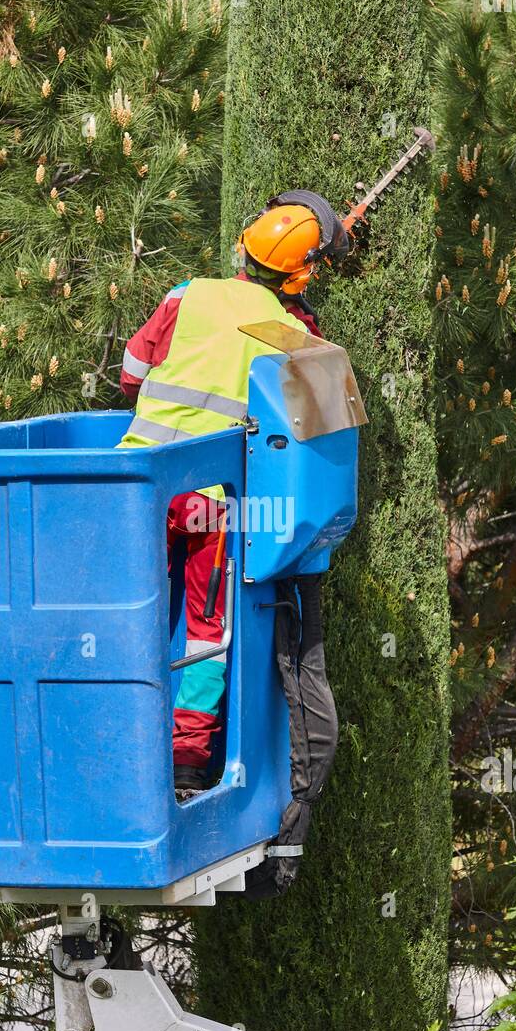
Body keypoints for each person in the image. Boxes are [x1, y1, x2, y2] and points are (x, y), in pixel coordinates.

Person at [118, 192, 348, 798]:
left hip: (132, 487)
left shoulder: (185, 294)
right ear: (301, 277)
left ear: (241, 249)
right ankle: (187, 765)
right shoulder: (292, 332)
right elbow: (314, 409)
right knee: (203, 629)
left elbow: (130, 375)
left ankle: (111, 744)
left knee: (118, 615)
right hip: (208, 502)